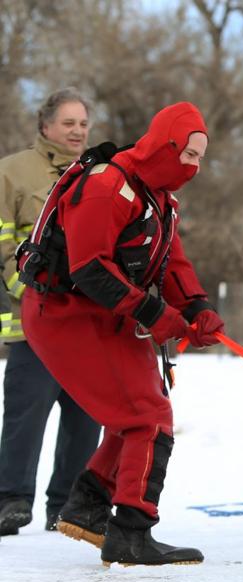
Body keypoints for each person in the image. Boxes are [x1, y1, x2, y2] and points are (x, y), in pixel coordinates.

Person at [19, 102, 225, 565]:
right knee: (147, 418)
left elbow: (171, 260)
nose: (193, 167)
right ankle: (132, 531)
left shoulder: (157, 197)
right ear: (165, 145)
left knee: (142, 414)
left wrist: (197, 306)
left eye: (199, 158)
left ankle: (88, 507)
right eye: (189, 155)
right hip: (64, 312)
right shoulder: (108, 184)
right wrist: (154, 313)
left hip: (104, 311)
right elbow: (89, 268)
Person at [0, 89, 102, 537]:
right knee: (26, 415)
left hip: (87, 324)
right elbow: (3, 243)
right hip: (34, 323)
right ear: (45, 126)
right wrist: (27, 289)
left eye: (83, 123)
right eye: (68, 123)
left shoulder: (101, 172)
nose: (78, 131)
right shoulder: (12, 172)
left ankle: (68, 507)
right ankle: (11, 500)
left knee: (86, 418)